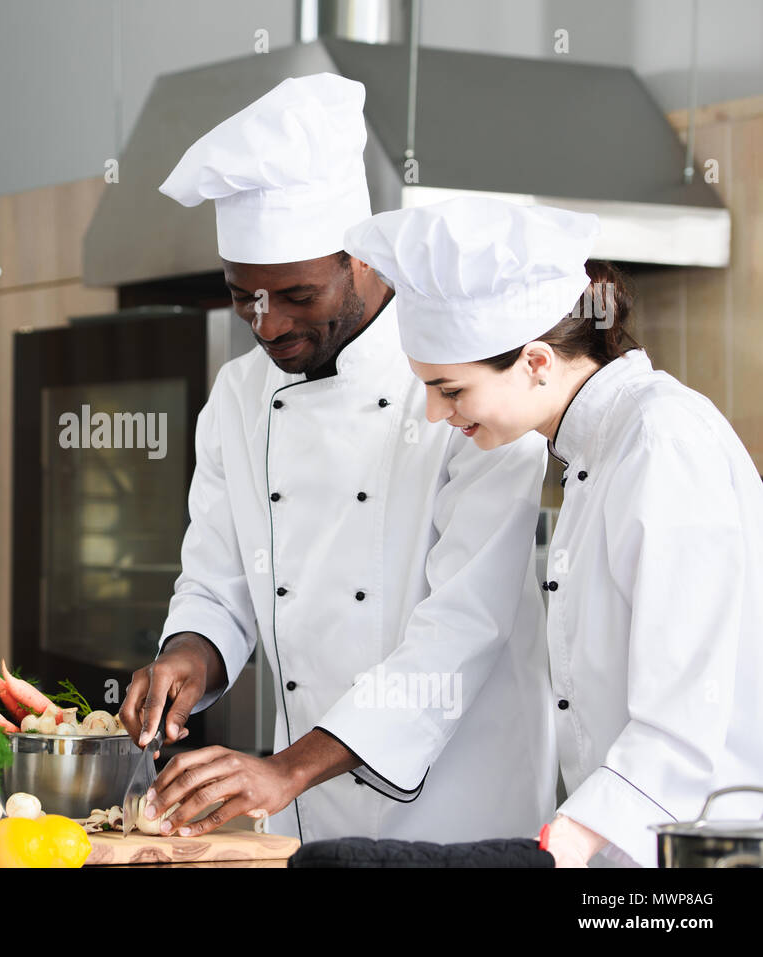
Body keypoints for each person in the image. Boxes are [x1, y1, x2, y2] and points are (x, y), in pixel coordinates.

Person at [119, 74, 556, 844]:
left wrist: (284, 766)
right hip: (301, 816)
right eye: (242, 296)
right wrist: (187, 658)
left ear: (360, 259)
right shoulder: (238, 397)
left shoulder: (468, 382)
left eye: (295, 294)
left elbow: (461, 628)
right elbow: (217, 580)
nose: (267, 324)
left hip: (461, 808)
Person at [343, 195, 763, 866]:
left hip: (704, 855)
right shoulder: (598, 452)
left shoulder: (663, 441)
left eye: (450, 390)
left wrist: (567, 841)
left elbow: (685, 711)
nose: (433, 412)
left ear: (537, 362)